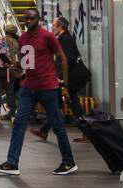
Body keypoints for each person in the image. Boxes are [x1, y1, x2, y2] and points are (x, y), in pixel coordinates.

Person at [0, 8, 77, 176]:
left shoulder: (48, 36)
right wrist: (14, 65)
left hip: (47, 87)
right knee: (19, 123)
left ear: (38, 19)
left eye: (31, 18)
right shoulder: (23, 38)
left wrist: (65, 86)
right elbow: (26, 63)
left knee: (58, 126)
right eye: (26, 18)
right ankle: (12, 163)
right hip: (29, 87)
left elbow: (63, 59)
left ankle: (69, 162)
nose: (28, 21)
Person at [32, 15, 87, 143]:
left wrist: (61, 78)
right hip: (66, 78)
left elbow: (67, 60)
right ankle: (44, 131)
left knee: (72, 105)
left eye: (54, 25)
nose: (53, 27)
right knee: (58, 105)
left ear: (60, 27)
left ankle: (87, 132)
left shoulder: (66, 39)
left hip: (71, 78)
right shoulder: (63, 38)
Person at [0, 23, 21, 126]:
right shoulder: (16, 42)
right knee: (10, 92)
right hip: (10, 69)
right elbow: (19, 57)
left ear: (5, 31)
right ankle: (13, 115)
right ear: (14, 33)